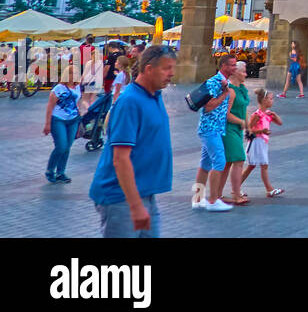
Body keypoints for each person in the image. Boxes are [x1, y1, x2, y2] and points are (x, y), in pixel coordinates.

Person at [88, 46, 175, 237]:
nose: (172, 74)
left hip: (144, 191)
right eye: (167, 68)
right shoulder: (130, 101)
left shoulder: (154, 96)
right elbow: (120, 158)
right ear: (149, 68)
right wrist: (135, 205)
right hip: (121, 197)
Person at [193, 53, 238, 212]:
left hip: (215, 129)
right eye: (232, 65)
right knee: (219, 161)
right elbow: (209, 106)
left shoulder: (224, 82)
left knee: (205, 164)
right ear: (224, 66)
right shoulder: (215, 82)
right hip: (209, 128)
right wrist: (225, 93)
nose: (235, 67)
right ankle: (213, 200)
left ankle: (197, 199)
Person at [214, 60, 250, 205]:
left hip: (237, 129)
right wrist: (241, 122)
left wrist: (248, 125)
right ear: (235, 72)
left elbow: (244, 108)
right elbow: (225, 114)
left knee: (228, 162)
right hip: (228, 128)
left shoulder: (241, 88)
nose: (245, 74)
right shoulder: (230, 90)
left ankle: (218, 194)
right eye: (243, 71)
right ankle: (236, 194)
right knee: (239, 159)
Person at [241, 89, 284, 197]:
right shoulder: (257, 114)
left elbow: (280, 122)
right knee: (257, 165)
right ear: (264, 100)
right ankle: (269, 189)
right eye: (271, 99)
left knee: (258, 165)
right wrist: (262, 131)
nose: (272, 101)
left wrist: (274, 115)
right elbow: (249, 129)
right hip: (255, 142)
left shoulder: (268, 114)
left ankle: (269, 189)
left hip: (262, 143)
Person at [43, 72, 83, 184]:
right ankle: (50, 170)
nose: (75, 75)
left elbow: (77, 101)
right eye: (72, 73)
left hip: (73, 119)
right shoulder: (58, 89)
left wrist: (80, 111)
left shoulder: (78, 87)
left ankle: (61, 172)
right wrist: (47, 123)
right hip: (58, 119)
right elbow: (50, 106)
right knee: (61, 146)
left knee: (67, 147)